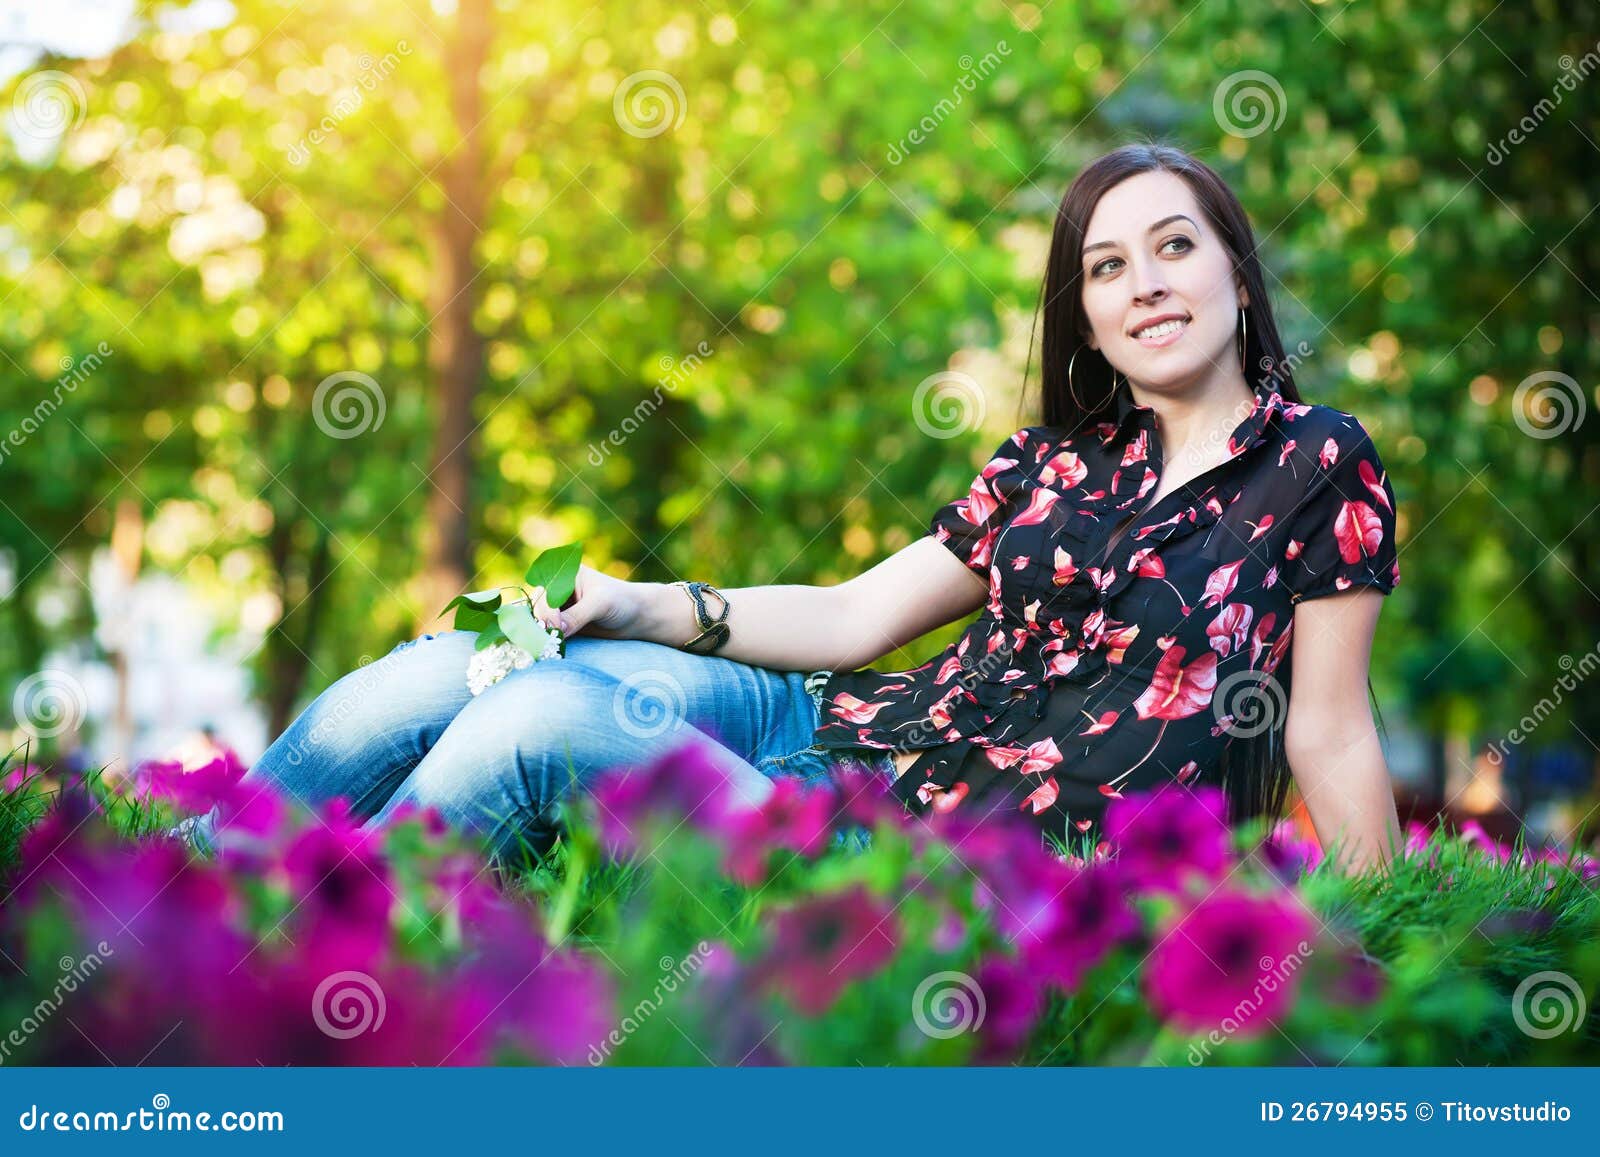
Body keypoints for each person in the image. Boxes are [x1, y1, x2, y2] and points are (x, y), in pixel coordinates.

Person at [184, 142, 1406, 874]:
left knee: (536, 719)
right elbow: (852, 616)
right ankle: (178, 890)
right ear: (1082, 315)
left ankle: (262, 969)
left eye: (1174, 247)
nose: (1143, 284)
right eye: (1105, 266)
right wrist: (639, 605)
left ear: (1236, 274)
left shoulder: (1317, 463)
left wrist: (1384, 958)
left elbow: (1329, 734)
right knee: (463, 663)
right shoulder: (1052, 460)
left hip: (936, 853)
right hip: (832, 725)